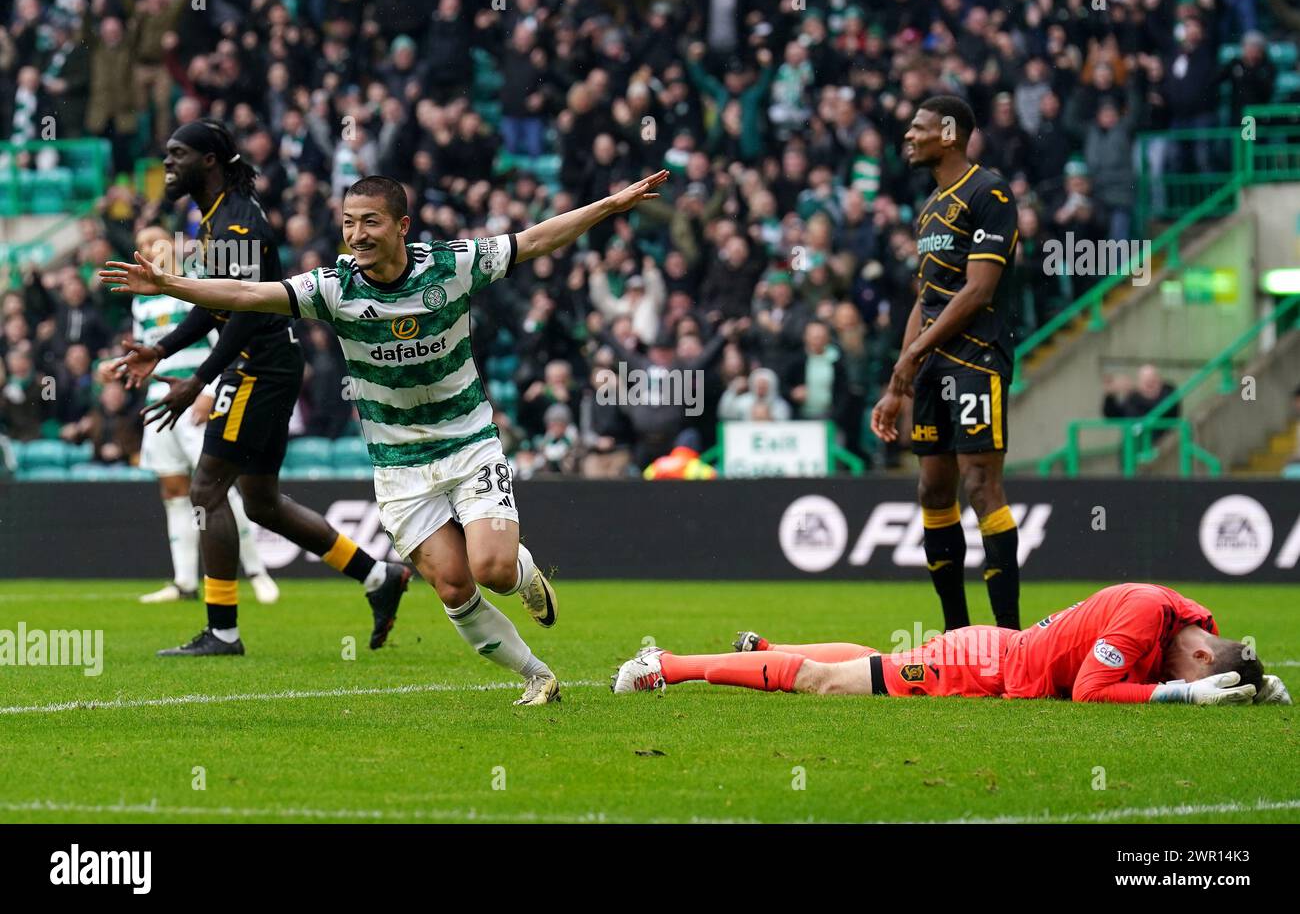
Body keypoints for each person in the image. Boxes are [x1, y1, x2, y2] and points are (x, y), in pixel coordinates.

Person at [102, 168, 673, 705]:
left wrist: (611, 204)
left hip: (468, 443)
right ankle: (538, 676)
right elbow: (251, 296)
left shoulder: (453, 264)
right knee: (452, 587)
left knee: (493, 569)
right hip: (398, 464)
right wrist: (171, 285)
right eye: (349, 223)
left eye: (370, 221)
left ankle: (525, 579)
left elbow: (537, 239)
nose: (356, 234)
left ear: (402, 225)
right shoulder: (333, 287)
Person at [103, 120, 409, 657]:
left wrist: (199, 378)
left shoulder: (236, 225)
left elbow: (243, 313)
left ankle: (222, 631)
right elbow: (216, 303)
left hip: (255, 367)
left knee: (206, 491)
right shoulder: (219, 216)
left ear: (210, 161)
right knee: (262, 502)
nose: (168, 164)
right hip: (262, 363)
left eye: (178, 154)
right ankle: (377, 575)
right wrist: (163, 350)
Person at [612, 582, 1292, 706]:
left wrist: (1254, 685)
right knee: (824, 681)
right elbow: (1091, 692)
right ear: (1199, 657)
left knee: (874, 661)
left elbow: (1218, 657)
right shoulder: (1149, 619)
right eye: (1192, 672)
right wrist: (1179, 694)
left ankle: (768, 643)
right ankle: (667, 665)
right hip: (980, 668)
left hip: (996, 646)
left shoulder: (1189, 617)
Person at [870, 96, 1024, 632]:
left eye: (919, 127)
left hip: (977, 359)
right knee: (933, 489)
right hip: (932, 367)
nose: (908, 136)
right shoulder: (930, 209)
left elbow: (980, 289)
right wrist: (899, 378)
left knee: (981, 485)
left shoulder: (990, 192)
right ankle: (956, 636)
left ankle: (1009, 637)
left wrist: (914, 353)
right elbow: (925, 298)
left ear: (951, 132)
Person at [114, 226, 278, 605]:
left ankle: (256, 571)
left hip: (196, 398)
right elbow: (149, 352)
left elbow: (226, 343)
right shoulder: (142, 301)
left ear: (171, 245)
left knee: (215, 485)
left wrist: (208, 391)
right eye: (140, 244)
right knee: (173, 490)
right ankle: (184, 581)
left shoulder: (196, 288)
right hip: (160, 399)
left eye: (155, 241)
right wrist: (118, 366)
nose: (147, 249)